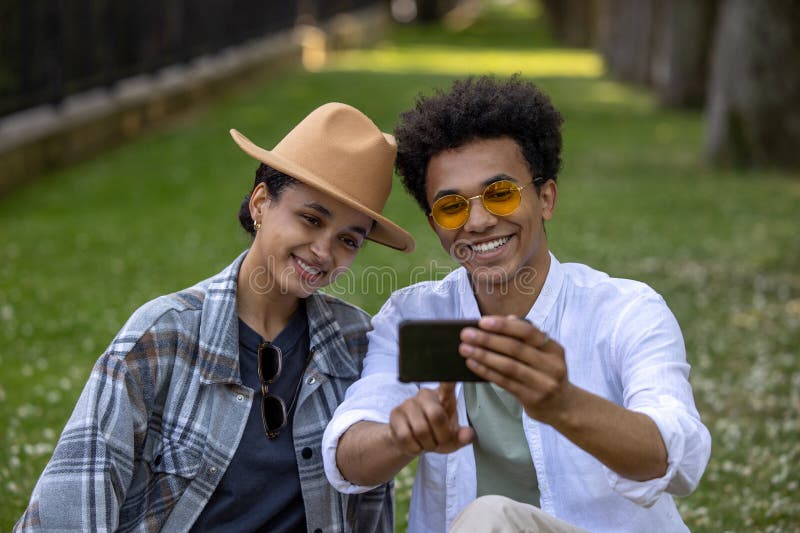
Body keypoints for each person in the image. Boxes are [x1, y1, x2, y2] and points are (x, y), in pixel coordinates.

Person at [322, 76, 711, 532]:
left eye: (500, 194)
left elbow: (679, 458)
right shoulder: (416, 317)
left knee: (489, 518)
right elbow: (348, 456)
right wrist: (400, 435)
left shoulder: (624, 311)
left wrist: (563, 404)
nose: (479, 221)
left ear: (545, 198)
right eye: (451, 207)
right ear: (434, 224)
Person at [15, 102, 414, 532]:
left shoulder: (356, 345)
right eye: (311, 218)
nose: (323, 250)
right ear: (261, 203)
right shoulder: (164, 335)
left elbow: (370, 508)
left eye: (348, 240)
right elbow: (70, 500)